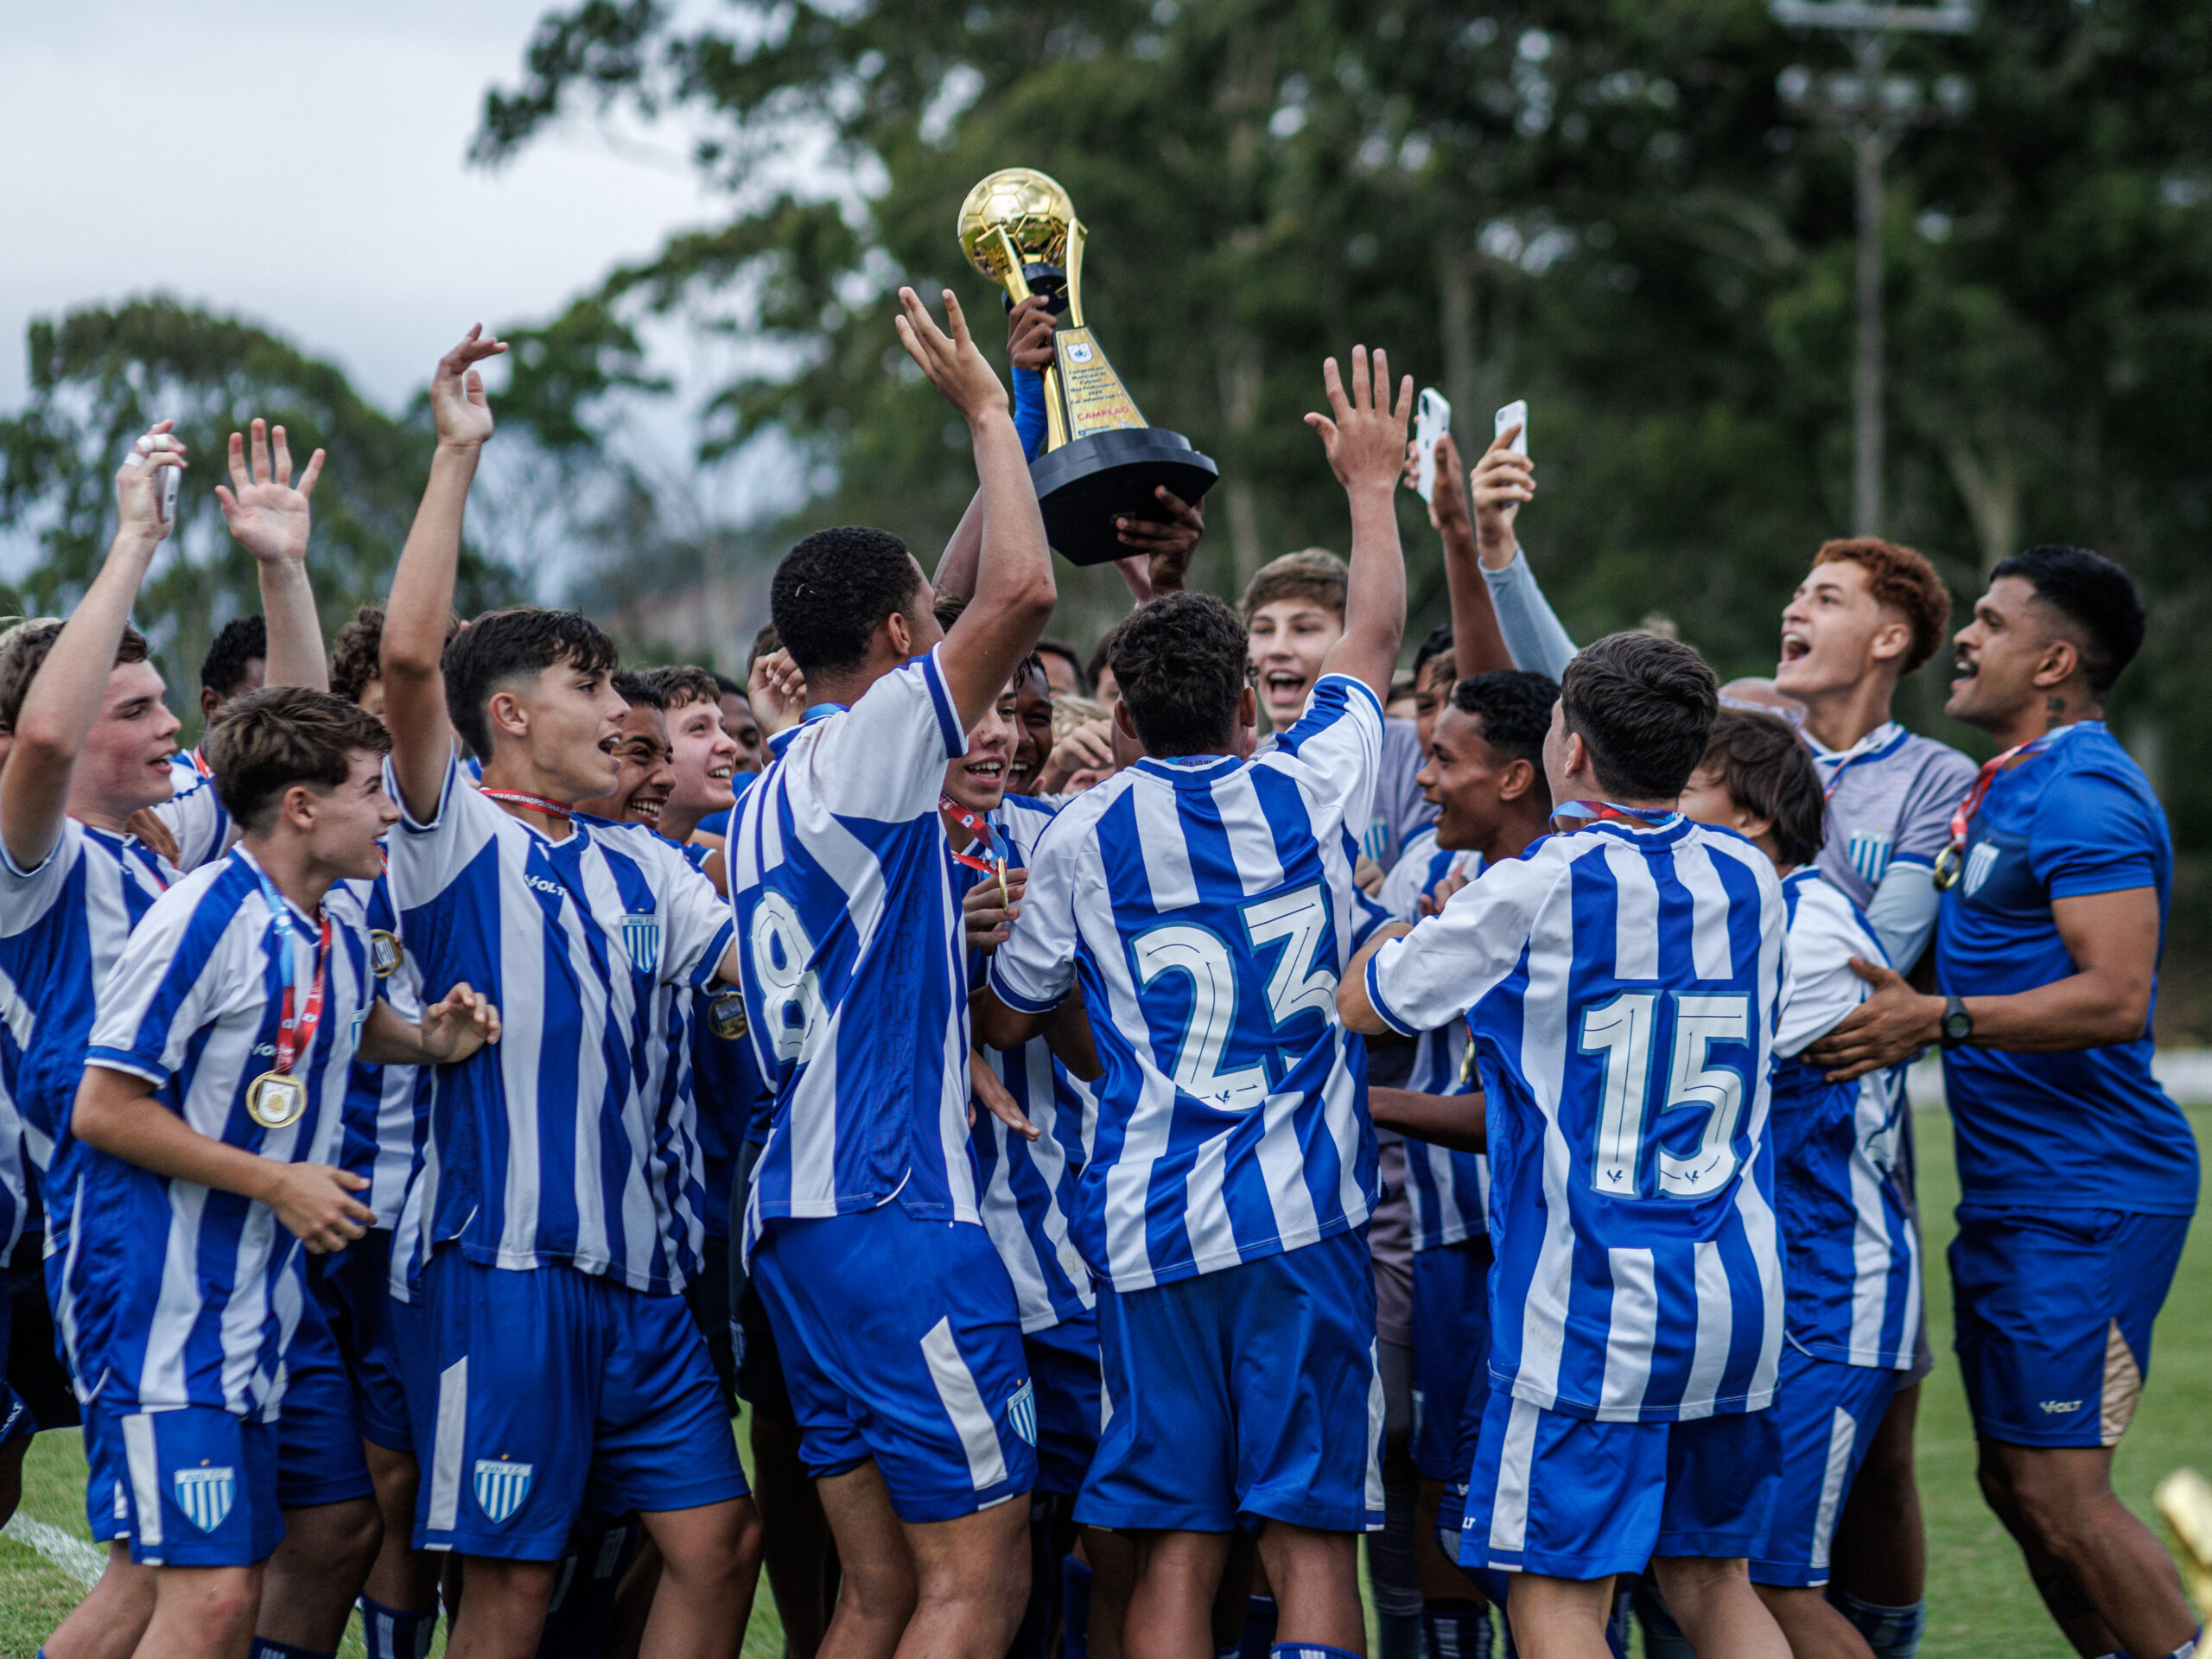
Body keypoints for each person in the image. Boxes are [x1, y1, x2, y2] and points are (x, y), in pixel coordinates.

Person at [1464, 427, 1967, 1653]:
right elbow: (1605, 707)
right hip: (1738, 1269)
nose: (1796, 607)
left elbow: (1864, 988)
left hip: (1795, 1260)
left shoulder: (1886, 819)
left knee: (1737, 1576)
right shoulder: (1739, 806)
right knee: (1720, 1579)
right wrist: (1498, 556)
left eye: (1827, 595)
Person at [978, 345, 1414, 1659]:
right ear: (1244, 703)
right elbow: (1374, 639)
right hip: (1304, 1220)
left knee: (1178, 1538)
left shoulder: (1077, 833)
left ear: (1117, 709)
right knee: (1309, 1540)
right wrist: (1372, 488)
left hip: (1148, 1223)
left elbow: (1010, 1016)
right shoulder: (1313, 781)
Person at [377, 327, 761, 1659]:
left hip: (645, 1284)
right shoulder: (452, 836)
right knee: (512, 1589)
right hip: (505, 1275)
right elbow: (412, 664)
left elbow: (762, 970)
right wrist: (456, 455)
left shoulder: (647, 865)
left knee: (720, 1544)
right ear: (509, 715)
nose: (617, 715)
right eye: (589, 688)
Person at [1339, 630, 1791, 1659]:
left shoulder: (1536, 884)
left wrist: (1399, 931)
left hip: (1589, 1303)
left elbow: (1368, 1004)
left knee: (1553, 1593)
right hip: (1734, 1288)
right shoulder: (1747, 875)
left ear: (1571, 751)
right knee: (1713, 1582)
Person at [725, 284, 1055, 1659]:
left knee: (877, 1595)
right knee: (979, 1583)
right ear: (901, 641)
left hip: (803, 1227)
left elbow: (968, 590)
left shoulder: (778, 777)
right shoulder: (872, 754)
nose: (946, 615)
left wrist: (1017, 408)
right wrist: (984, 411)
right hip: (894, 1216)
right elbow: (1021, 594)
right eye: (927, 610)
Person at [1807, 546, 2202, 1659]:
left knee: (2060, 1489)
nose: (1966, 639)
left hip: (2088, 1192)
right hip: (2016, 1194)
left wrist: (1938, 1020)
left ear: (2054, 661)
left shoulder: (2084, 793)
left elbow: (2116, 996)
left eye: (1988, 621)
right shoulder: (2007, 783)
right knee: (2017, 1485)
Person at [64, 686, 499, 1659]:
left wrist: (431, 1039)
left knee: (294, 1539)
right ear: (301, 806)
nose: (390, 810)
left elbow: (349, 1023)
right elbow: (104, 1107)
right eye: (370, 789)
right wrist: (276, 1182)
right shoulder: (201, 916)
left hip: (261, 1308)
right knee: (212, 1597)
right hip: (160, 1305)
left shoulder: (329, 926)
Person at [2, 417, 338, 1659]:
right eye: (133, 707)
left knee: (183, 1575)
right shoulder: (32, 865)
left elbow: (301, 734)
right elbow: (45, 738)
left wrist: (281, 570)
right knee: (190, 1584)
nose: (168, 727)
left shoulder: (176, 831)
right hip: (113, 1229)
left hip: (209, 1232)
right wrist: (135, 540)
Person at [1672, 711, 1920, 1659]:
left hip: (1832, 1298)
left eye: (1686, 788)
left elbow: (1685, 1093)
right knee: (1722, 1573)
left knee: (1775, 1584)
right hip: (1777, 1297)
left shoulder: (1809, 930)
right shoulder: (1749, 913)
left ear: (1751, 818)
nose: (1663, 808)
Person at [1369, 669, 1557, 1659]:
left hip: (1550, 1237)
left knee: (1537, 1521)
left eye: (1441, 758)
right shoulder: (1428, 862)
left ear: (1518, 774)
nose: (1422, 779)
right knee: (1448, 1494)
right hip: (1450, 1229)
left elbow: (1364, 1002)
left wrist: (1415, 935)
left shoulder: (1561, 882)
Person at [1242, 548, 1432, 874]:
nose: (1277, 649)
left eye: (1304, 629)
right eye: (1263, 630)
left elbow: (1439, 872)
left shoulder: (1405, 749)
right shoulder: (1240, 766)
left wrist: (1387, 888)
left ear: (1350, 642)